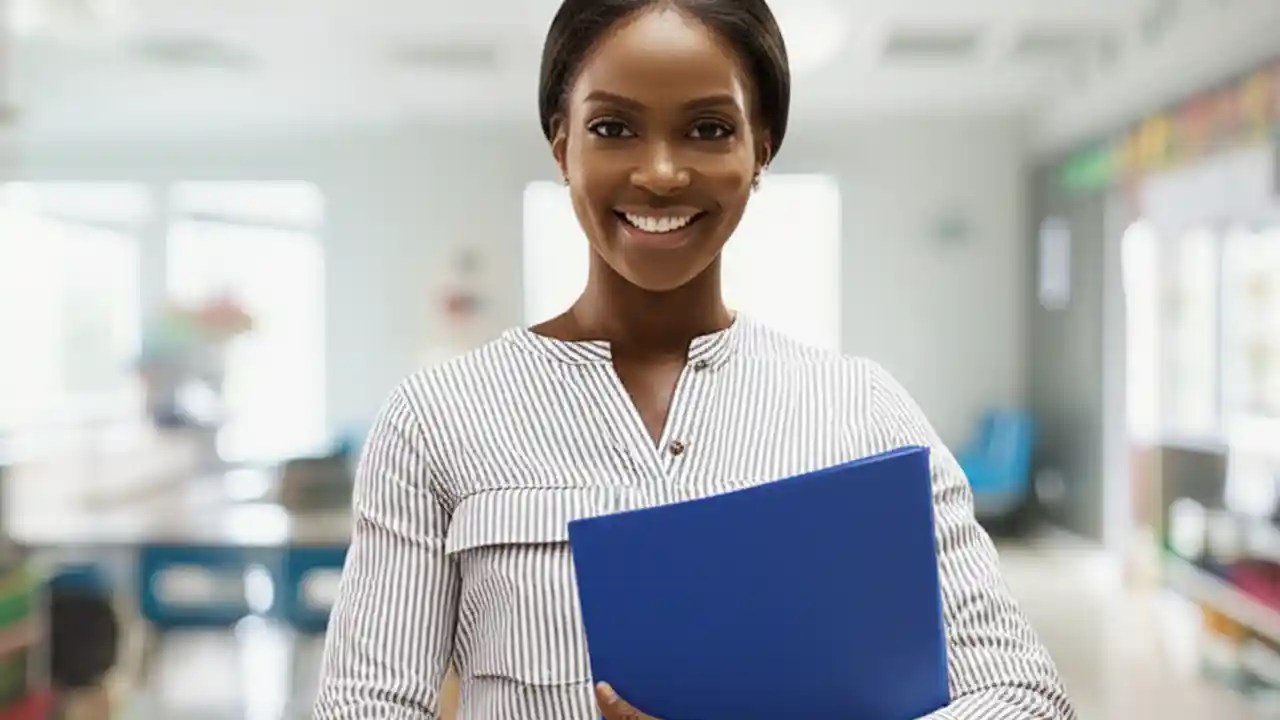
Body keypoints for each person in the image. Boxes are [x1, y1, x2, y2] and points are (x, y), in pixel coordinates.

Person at [314, 0, 1076, 718]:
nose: (661, 172)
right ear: (561, 144)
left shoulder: (864, 411)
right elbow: (364, 706)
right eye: (614, 128)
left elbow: (1023, 694)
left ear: (761, 149)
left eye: (709, 129)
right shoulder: (436, 420)